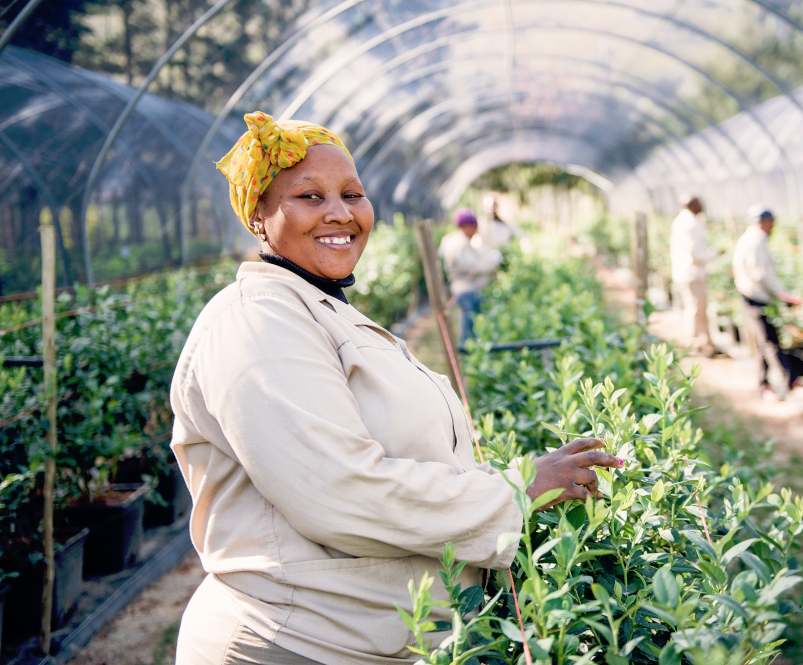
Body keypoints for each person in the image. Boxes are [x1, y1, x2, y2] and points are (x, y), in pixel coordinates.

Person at [171, 111, 623, 665]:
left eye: (352, 193)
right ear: (259, 216)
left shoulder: (322, 309)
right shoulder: (257, 321)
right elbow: (340, 492)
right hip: (294, 643)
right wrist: (515, 491)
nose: (340, 212)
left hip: (370, 641)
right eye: (309, 196)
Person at [732, 204, 798, 398]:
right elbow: (761, 273)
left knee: (763, 340)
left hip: (752, 294)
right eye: (772, 222)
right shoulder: (756, 241)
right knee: (769, 340)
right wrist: (782, 294)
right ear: (765, 222)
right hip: (756, 296)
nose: (773, 227)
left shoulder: (750, 238)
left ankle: (763, 382)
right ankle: (789, 379)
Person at [438, 208, 502, 345]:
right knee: (469, 324)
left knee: (471, 322)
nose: (475, 231)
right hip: (466, 290)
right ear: (466, 226)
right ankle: (468, 351)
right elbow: (472, 267)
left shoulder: (460, 241)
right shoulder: (459, 243)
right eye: (474, 227)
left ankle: (470, 350)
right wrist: (492, 262)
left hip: (467, 289)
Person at [670, 194, 719, 356]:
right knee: (696, 308)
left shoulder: (681, 220)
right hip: (692, 273)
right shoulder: (691, 223)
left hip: (685, 272)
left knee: (695, 307)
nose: (702, 205)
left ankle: (703, 343)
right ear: (693, 205)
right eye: (699, 203)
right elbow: (694, 252)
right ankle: (694, 344)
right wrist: (713, 254)